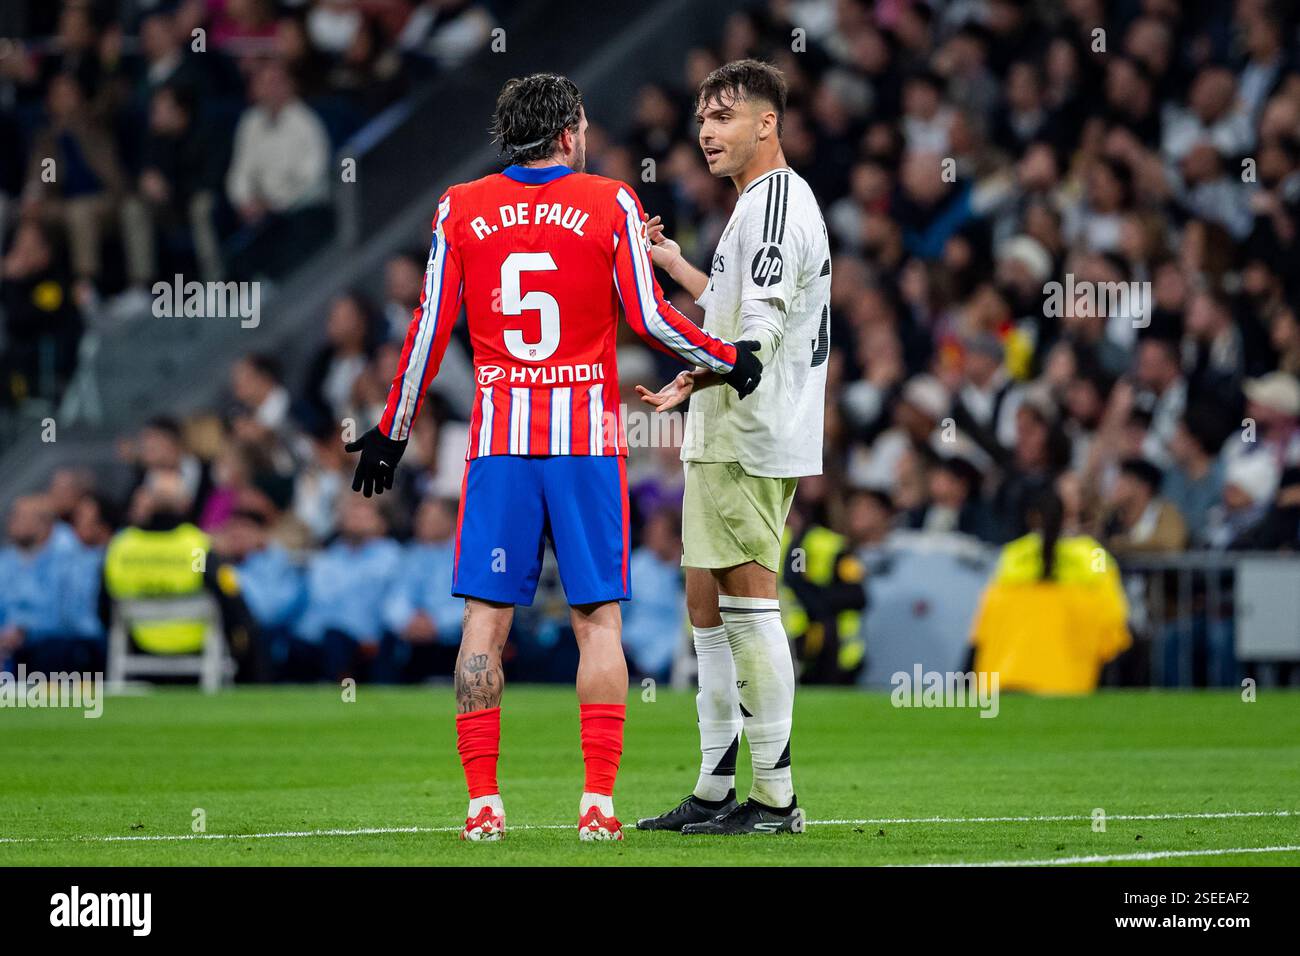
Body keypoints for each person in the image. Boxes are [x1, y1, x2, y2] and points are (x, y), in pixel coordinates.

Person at [343, 72, 762, 842]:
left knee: (483, 625)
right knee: (597, 622)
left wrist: (392, 429)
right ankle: (597, 803)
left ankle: (482, 806)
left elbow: (431, 326)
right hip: (585, 447)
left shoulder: (460, 206)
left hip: (499, 447)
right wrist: (729, 357)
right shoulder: (610, 202)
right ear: (569, 132)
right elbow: (650, 317)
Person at [634, 59, 829, 835]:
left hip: (749, 432)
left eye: (723, 116)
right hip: (724, 423)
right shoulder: (752, 206)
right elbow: (730, 311)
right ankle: (716, 787)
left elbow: (763, 321)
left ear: (766, 123)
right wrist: (677, 267)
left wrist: (729, 366)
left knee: (749, 608)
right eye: (702, 117)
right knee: (706, 609)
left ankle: (776, 798)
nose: (706, 131)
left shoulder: (778, 201)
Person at [970, 490, 1131, 694]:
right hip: (1069, 679)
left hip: (1005, 676)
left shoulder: (1011, 554)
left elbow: (984, 621)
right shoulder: (1094, 554)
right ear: (1069, 516)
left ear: (1031, 517)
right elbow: (1113, 621)